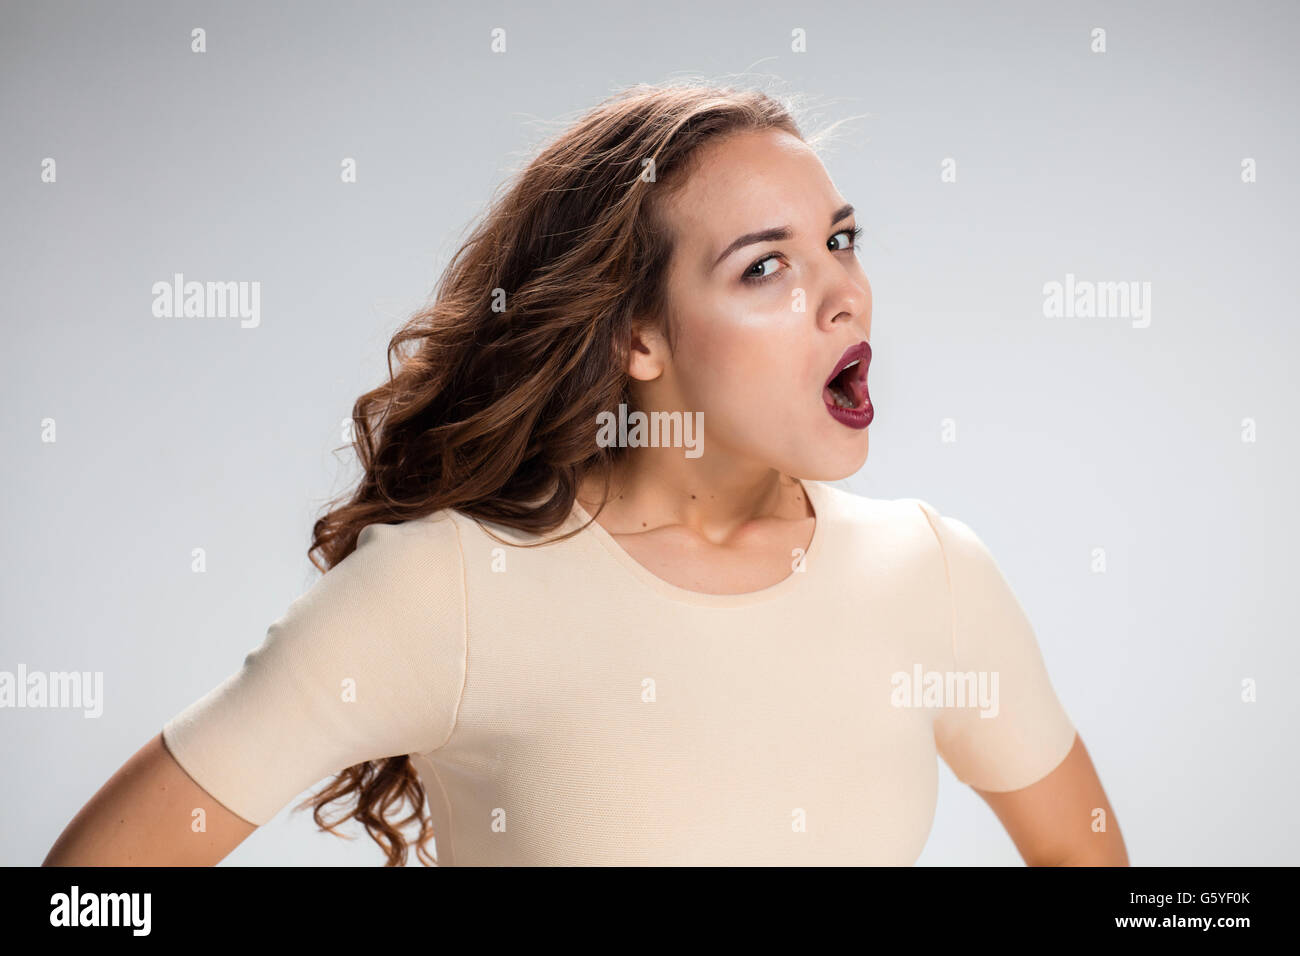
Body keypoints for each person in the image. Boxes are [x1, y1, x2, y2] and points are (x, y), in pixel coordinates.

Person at [43, 82, 1127, 867]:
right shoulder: (453, 587)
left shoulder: (930, 574)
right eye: (765, 267)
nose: (842, 292)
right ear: (637, 339)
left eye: (840, 239)